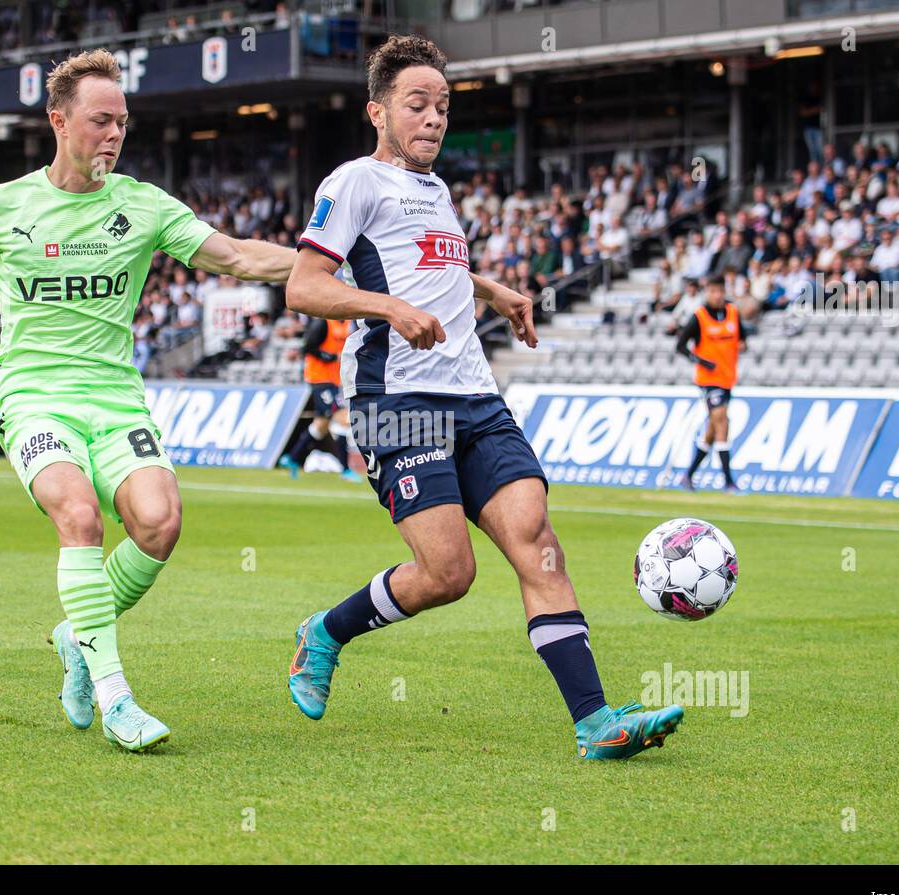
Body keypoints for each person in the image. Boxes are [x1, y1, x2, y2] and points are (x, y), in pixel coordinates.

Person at [0, 49, 295, 752]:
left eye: (122, 123)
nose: (114, 135)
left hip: (115, 397)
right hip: (34, 397)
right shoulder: (3, 207)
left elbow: (242, 257)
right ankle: (115, 696)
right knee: (78, 514)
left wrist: (329, 258)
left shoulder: (143, 205)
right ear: (58, 120)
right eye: (100, 121)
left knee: (159, 524)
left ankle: (77, 632)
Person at [282, 35, 685, 761]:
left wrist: (490, 287)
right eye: (417, 104)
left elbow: (430, 270)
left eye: (443, 106)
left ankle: (595, 721)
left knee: (537, 539)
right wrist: (386, 309)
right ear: (378, 111)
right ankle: (326, 632)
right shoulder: (355, 183)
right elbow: (304, 286)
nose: (434, 118)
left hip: (474, 394)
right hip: (399, 398)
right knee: (449, 574)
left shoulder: (437, 191)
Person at [676, 275, 747, 493]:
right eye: (712, 291)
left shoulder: (733, 313)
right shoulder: (699, 316)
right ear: (707, 293)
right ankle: (729, 481)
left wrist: (741, 347)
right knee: (722, 420)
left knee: (712, 429)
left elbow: (742, 340)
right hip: (708, 381)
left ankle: (688, 476)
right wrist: (701, 361)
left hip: (727, 379)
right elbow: (680, 345)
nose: (716, 295)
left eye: (719, 291)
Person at [278, 314, 363, 482]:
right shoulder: (323, 323)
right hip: (319, 379)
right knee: (341, 418)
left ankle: (292, 458)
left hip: (333, 379)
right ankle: (345, 470)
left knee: (321, 425)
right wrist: (331, 357)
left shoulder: (347, 321)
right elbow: (308, 348)